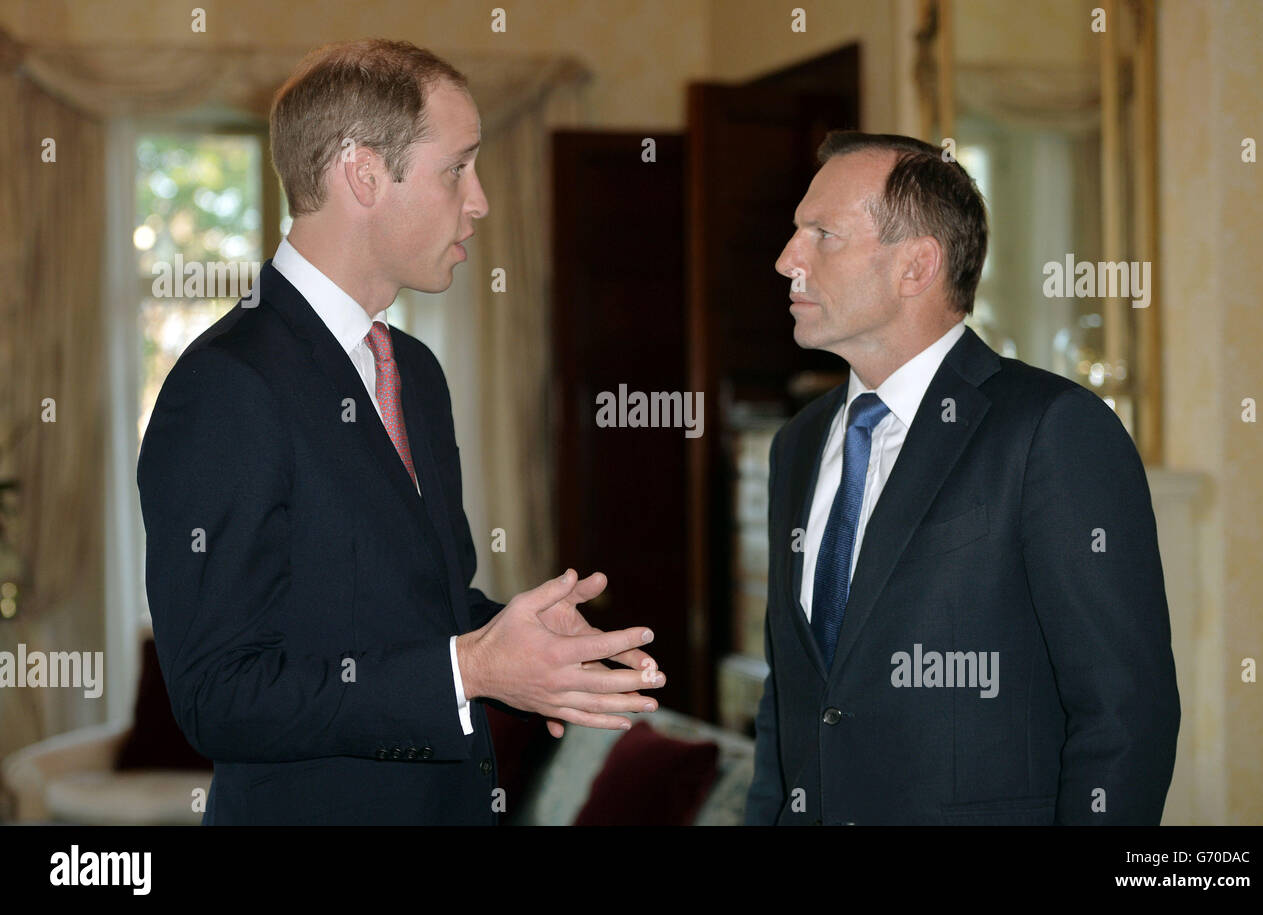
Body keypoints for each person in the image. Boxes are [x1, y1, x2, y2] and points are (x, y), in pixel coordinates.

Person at [137, 39, 664, 826]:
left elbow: (411, 612)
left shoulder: (413, 369)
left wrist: (515, 640)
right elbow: (220, 696)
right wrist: (470, 668)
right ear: (364, 175)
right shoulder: (226, 386)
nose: (479, 200)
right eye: (458, 168)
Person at [744, 132, 1179, 825]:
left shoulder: (1052, 430)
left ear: (917, 265)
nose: (786, 259)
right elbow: (790, 702)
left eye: (821, 234)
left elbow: (1125, 713)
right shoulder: (797, 444)